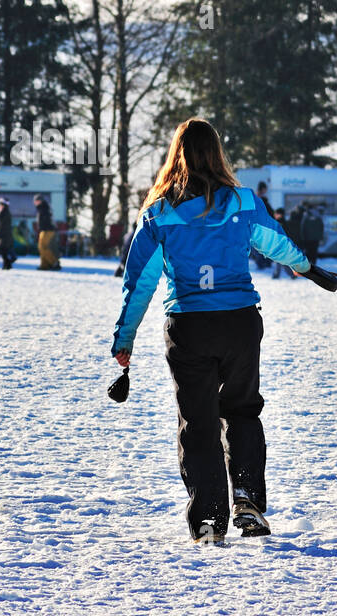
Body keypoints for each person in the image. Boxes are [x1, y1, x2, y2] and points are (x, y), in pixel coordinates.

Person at [111, 118, 314, 543]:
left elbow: (140, 282)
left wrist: (124, 338)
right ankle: (247, 499)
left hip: (189, 327)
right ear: (217, 153)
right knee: (241, 411)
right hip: (239, 322)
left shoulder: (160, 213)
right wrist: (305, 266)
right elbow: (275, 242)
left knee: (198, 423)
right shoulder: (241, 201)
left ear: (176, 154)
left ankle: (208, 519)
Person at [34, 195, 61, 270]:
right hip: (44, 230)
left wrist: (43, 228)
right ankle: (44, 265)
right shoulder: (41, 208)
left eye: (36, 200)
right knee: (41, 247)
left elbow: (47, 220)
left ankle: (54, 263)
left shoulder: (44, 208)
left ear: (40, 201)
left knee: (43, 247)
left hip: (48, 230)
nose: (35, 202)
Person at [0, 197, 15, 270]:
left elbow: (0, 223)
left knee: (1, 249)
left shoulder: (4, 212)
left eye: (0, 204)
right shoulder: (4, 212)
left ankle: (8, 262)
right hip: (4, 234)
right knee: (4, 249)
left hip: (4, 234)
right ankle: (7, 264)